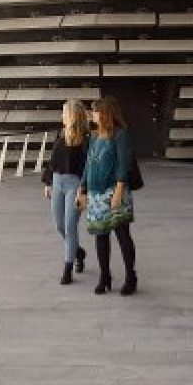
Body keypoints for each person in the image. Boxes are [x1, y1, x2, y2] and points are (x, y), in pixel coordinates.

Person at [77, 94, 137, 296]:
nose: (92, 114)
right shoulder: (94, 137)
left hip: (115, 191)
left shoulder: (120, 135)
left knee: (122, 236)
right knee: (100, 237)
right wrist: (82, 190)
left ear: (105, 113)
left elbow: (123, 164)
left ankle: (131, 276)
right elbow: (88, 164)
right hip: (95, 194)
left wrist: (119, 191)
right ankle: (105, 276)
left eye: (95, 110)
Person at [41, 100, 89, 285]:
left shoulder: (86, 138)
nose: (61, 116)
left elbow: (88, 167)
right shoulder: (60, 134)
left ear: (72, 115)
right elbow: (53, 161)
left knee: (70, 227)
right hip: (57, 182)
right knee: (60, 226)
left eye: (64, 112)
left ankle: (68, 269)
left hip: (75, 185)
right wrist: (47, 183)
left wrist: (84, 191)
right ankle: (78, 252)